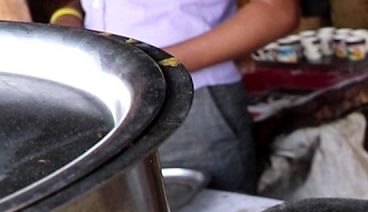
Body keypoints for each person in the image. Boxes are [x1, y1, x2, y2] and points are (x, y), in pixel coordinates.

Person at [50, 0, 300, 194]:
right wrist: (68, 14)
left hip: (193, 104)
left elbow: (276, 10)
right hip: (111, 105)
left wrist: (150, 65)